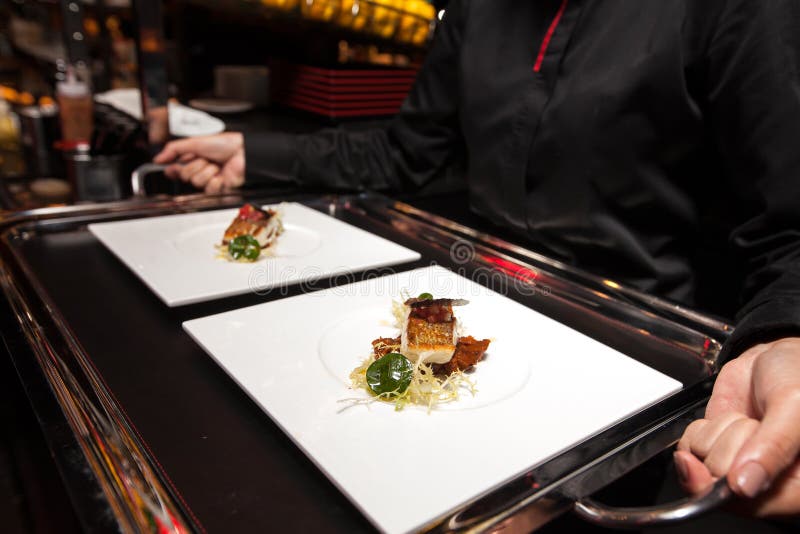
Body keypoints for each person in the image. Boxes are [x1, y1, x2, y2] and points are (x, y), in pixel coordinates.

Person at [155, 0, 800, 520]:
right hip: (481, 295)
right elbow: (404, 153)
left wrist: (785, 334)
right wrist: (253, 155)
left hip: (643, 356)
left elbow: (789, 229)